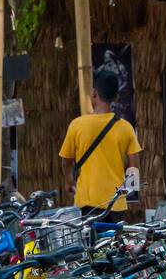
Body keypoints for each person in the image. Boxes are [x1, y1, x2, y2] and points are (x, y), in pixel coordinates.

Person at [59, 68, 142, 223]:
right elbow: (134, 168)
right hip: (116, 204)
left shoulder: (77, 125)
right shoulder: (125, 128)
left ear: (94, 94)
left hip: (87, 204)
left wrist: (69, 182)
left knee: (91, 246)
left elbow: (66, 162)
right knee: (114, 246)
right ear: (116, 97)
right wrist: (128, 193)